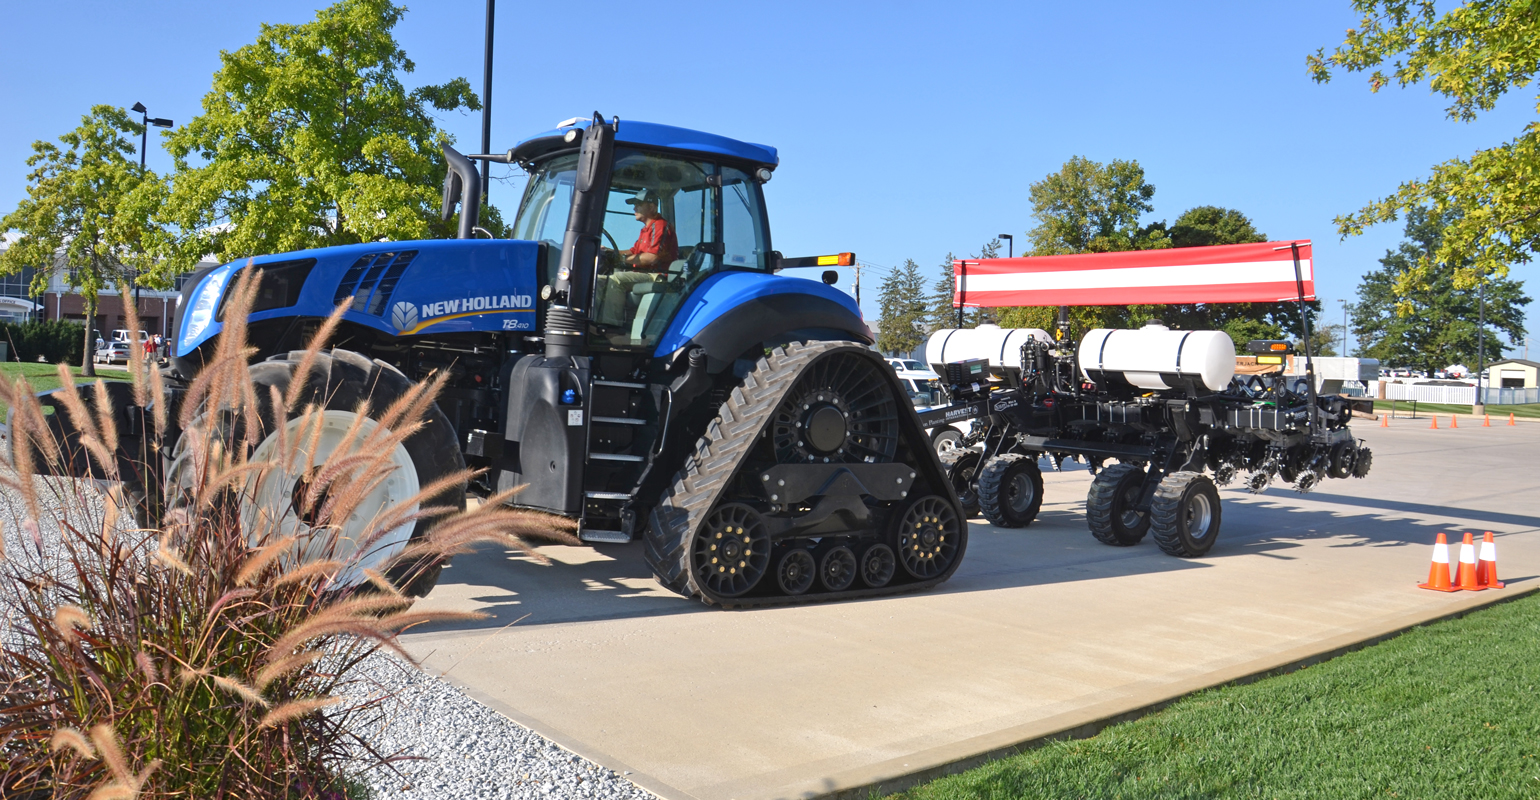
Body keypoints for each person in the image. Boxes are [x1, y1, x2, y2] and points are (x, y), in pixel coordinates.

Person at [596, 190, 679, 329]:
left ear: (652, 207)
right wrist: (609, 252)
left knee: (616, 279)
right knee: (597, 280)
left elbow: (651, 258)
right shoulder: (646, 229)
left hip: (656, 276)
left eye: (638, 204)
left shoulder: (660, 226)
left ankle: (611, 328)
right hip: (642, 274)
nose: (634, 208)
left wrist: (621, 259)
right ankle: (594, 324)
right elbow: (634, 252)